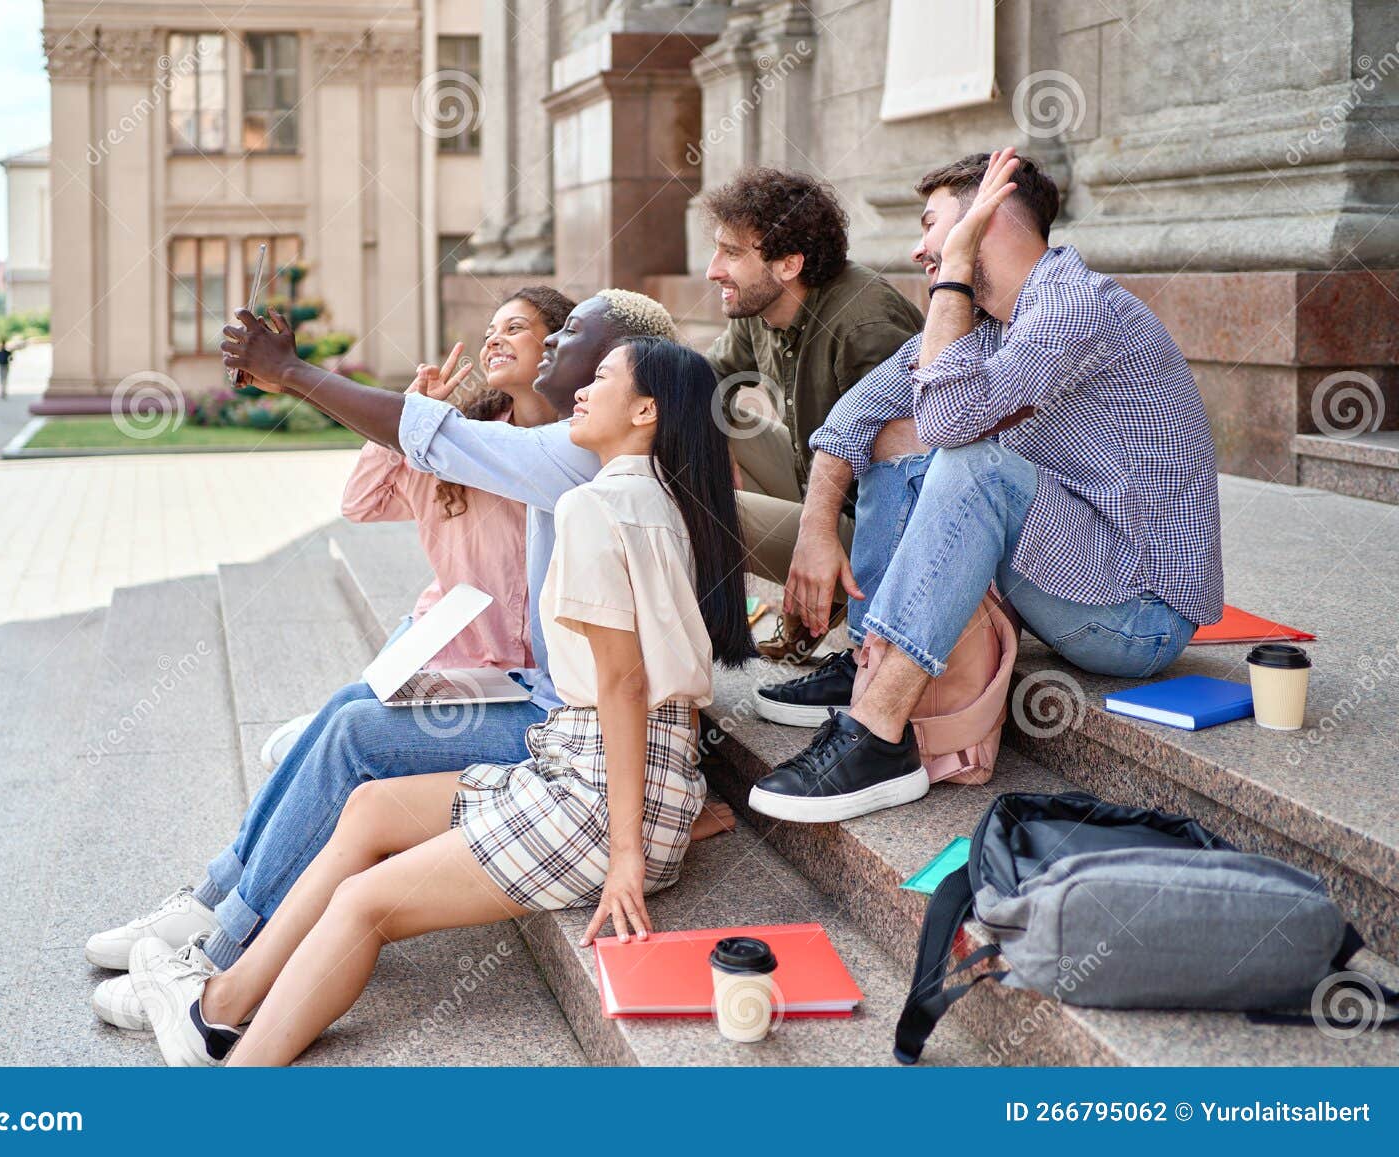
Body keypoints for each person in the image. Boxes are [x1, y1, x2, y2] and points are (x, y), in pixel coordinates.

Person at [84, 290, 720, 1035]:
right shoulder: (592, 460)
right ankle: (216, 902)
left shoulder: (580, 464)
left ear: (637, 389)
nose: (551, 348)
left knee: (354, 739)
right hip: (549, 708)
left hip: (564, 732)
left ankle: (221, 951)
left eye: (571, 336)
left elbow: (626, 679)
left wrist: (292, 373)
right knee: (350, 713)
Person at [747, 149, 1223, 824]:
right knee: (891, 435)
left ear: (984, 221)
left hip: (1139, 615)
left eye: (932, 225)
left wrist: (954, 275)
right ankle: (866, 661)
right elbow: (855, 415)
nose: (918, 249)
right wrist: (817, 529)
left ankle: (879, 732)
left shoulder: (1073, 306)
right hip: (1072, 572)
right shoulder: (989, 323)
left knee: (975, 465)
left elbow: (947, 423)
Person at [253, 287, 574, 772]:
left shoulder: (580, 447)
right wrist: (403, 426)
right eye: (489, 332)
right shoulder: (458, 443)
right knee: (350, 718)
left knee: (354, 738)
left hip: (536, 678)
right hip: (453, 647)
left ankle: (320, 738)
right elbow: (361, 503)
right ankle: (320, 736)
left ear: (556, 345)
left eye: (515, 328)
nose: (494, 340)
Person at [702, 167, 923, 660]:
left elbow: (909, 486)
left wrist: (815, 535)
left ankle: (699, 644)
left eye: (732, 253)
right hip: (817, 483)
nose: (713, 270)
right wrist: (709, 441)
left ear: (789, 264)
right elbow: (705, 380)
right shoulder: (761, 305)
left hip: (875, 534)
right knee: (698, 416)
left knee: (688, 504)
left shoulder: (865, 326)